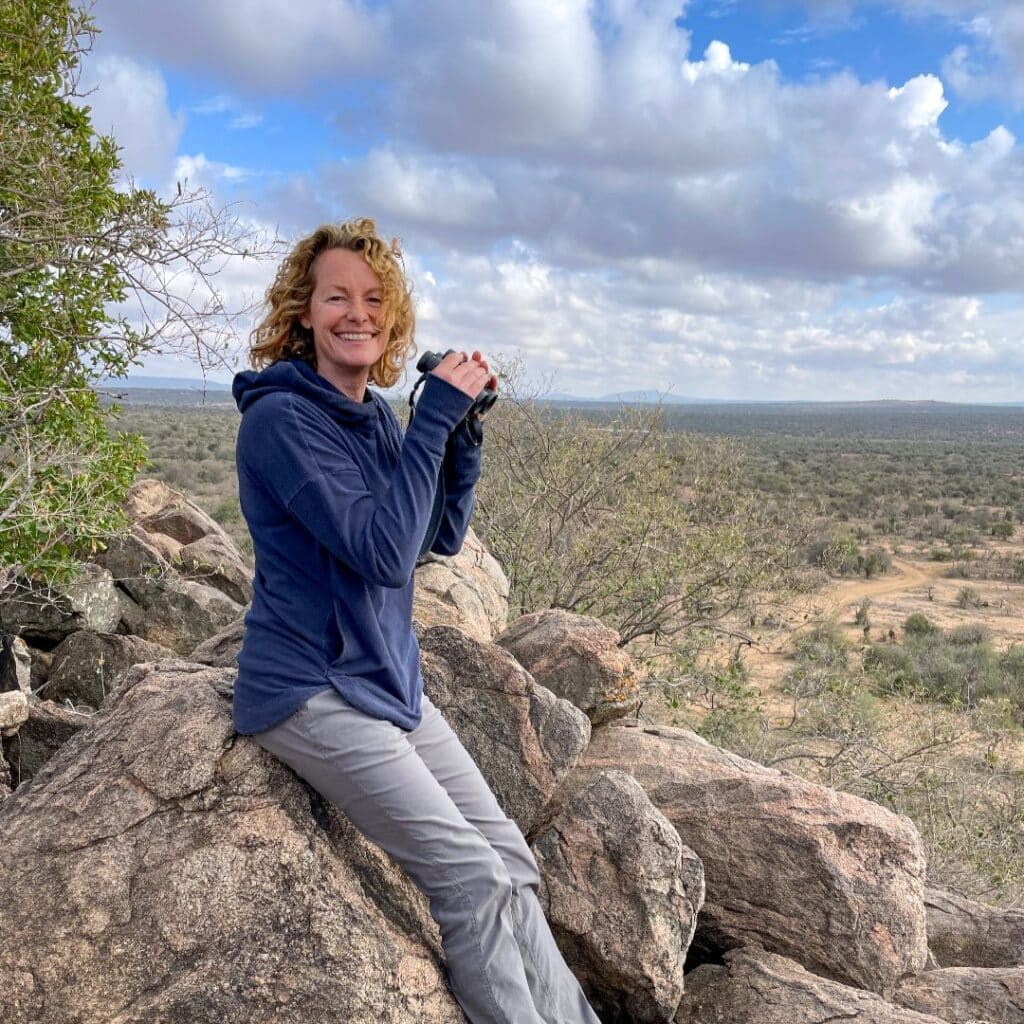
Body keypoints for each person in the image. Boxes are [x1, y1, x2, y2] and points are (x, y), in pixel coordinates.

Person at [232, 218, 601, 1024]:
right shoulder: (282, 422)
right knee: (470, 878)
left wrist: (457, 443)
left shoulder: (368, 418)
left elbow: (434, 536)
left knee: (508, 858)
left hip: (384, 681)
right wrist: (432, 418)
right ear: (304, 313)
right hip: (309, 688)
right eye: (337, 298)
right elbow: (380, 554)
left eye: (373, 301)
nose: (356, 314)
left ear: (391, 320)